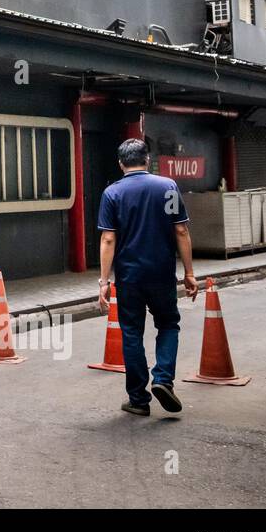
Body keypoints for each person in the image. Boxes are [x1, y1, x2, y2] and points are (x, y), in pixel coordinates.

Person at [97, 139, 198, 417]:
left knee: (131, 333)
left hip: (129, 276)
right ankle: (163, 379)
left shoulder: (112, 193)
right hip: (162, 273)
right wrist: (189, 273)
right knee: (168, 324)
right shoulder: (167, 187)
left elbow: (108, 238)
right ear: (148, 159)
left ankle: (138, 399)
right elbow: (181, 231)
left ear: (121, 163)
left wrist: (104, 282)